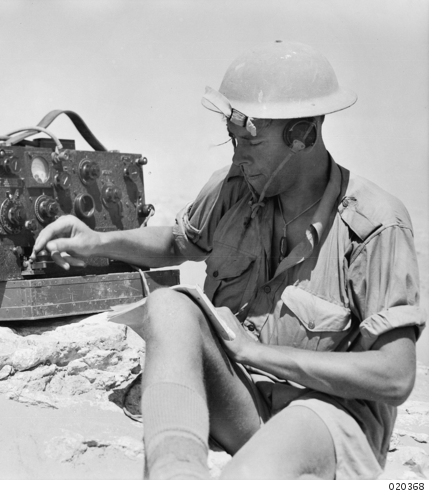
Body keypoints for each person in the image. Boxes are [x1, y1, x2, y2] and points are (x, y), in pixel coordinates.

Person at [31, 41, 426, 479]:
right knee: (169, 305)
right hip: (247, 404)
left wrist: (259, 354)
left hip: (327, 421)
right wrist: (96, 242)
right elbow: (179, 243)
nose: (237, 155)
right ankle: (174, 474)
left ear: (303, 135)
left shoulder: (375, 225)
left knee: (262, 460)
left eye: (250, 142)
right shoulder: (237, 187)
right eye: (234, 140)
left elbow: (395, 377)